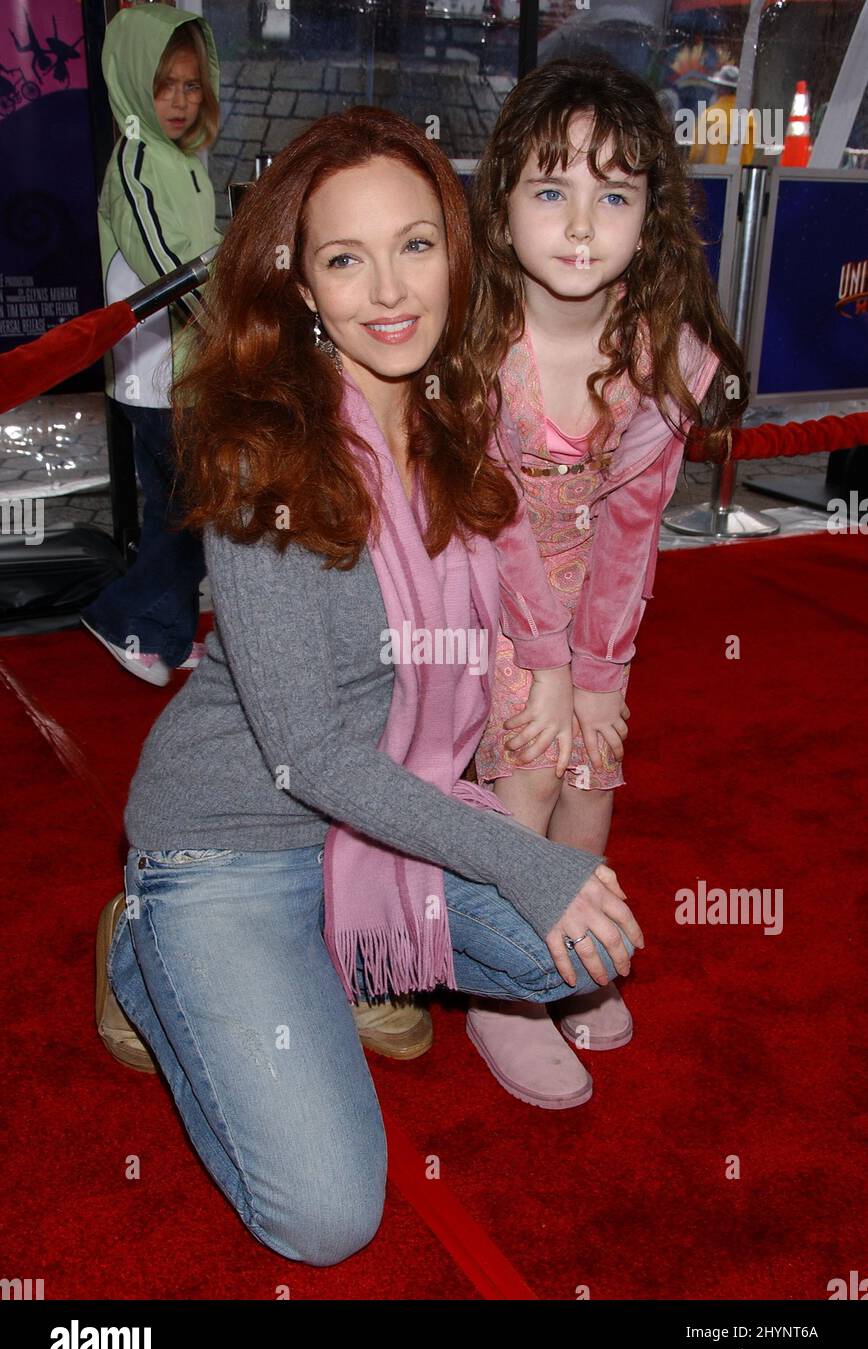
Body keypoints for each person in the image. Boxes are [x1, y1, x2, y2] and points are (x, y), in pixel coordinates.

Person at [99, 106, 644, 1265]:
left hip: (378, 823)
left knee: (583, 949)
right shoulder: (266, 450)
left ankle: (327, 953)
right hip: (233, 842)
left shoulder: (454, 426)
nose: (390, 290)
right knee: (328, 1218)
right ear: (301, 284)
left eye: (415, 245)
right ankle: (147, 952)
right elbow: (310, 755)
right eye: (346, 259)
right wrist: (524, 856)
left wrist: (566, 689)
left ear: (455, 253)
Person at [465, 57, 746, 1106]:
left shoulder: (661, 353)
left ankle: (575, 955)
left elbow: (632, 527)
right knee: (530, 765)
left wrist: (598, 674)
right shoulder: (474, 343)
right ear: (502, 206)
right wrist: (545, 666)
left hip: (586, 595)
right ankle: (503, 985)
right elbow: (488, 516)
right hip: (478, 586)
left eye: (614, 195)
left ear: (649, 218)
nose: (582, 225)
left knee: (591, 764)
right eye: (551, 190)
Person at [80, 4, 222, 686]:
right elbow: (170, 265)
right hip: (154, 373)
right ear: (137, 84)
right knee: (188, 509)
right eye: (165, 86)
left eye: (192, 86)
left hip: (185, 367)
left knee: (182, 505)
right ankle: (122, 616)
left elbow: (205, 248)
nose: (180, 101)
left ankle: (162, 633)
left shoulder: (181, 158)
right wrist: (229, 325)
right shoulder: (136, 162)